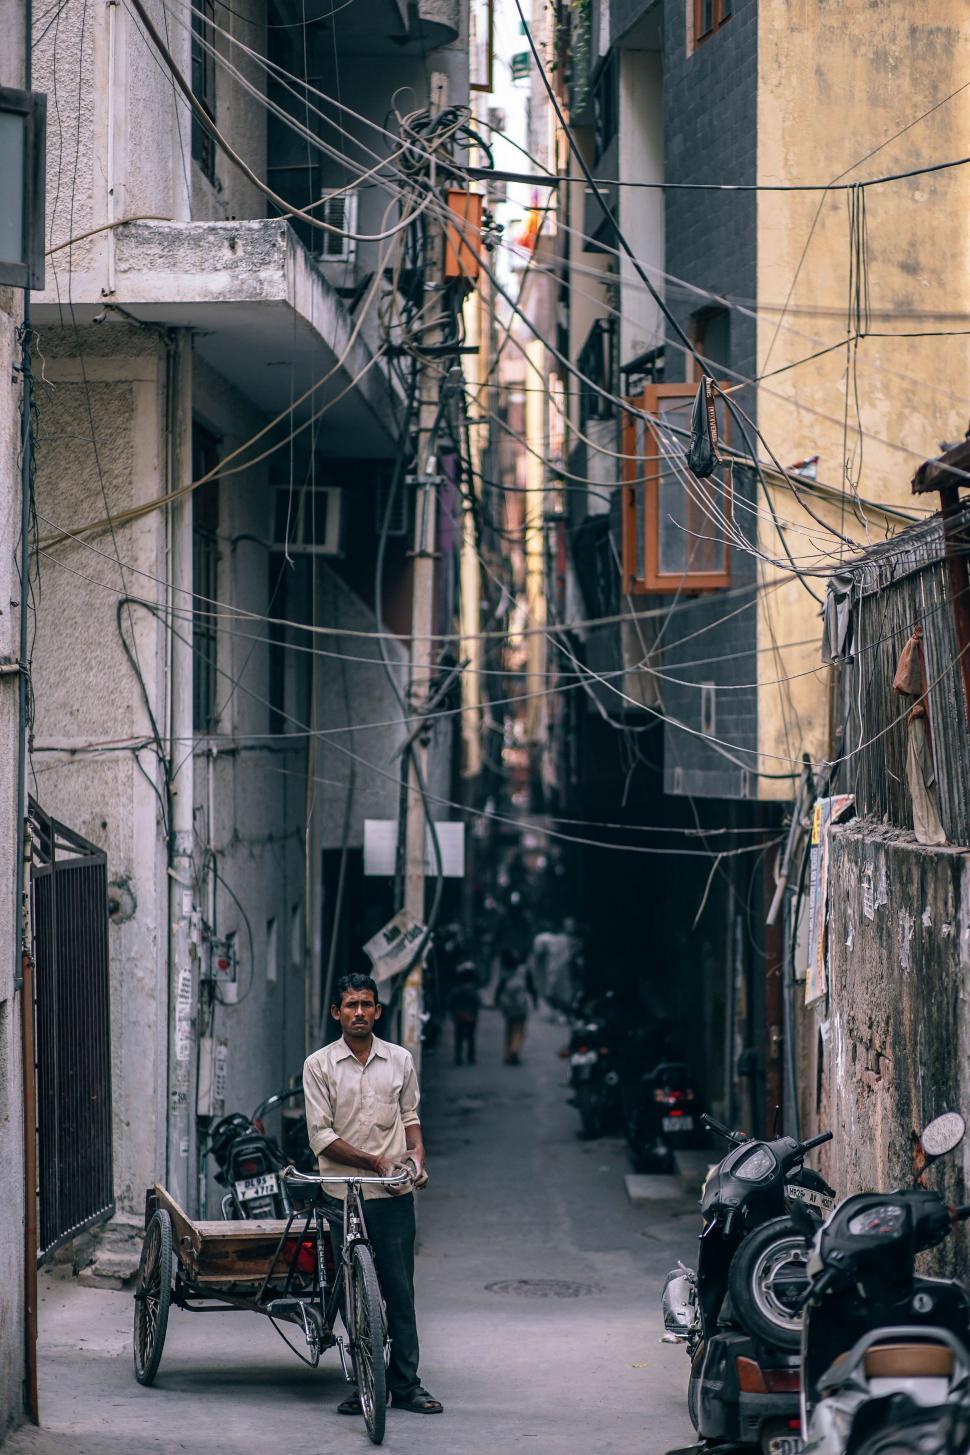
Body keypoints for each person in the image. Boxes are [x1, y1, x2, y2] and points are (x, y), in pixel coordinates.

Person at [303, 972, 443, 1417]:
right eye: (351, 1005)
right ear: (337, 1013)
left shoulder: (399, 1059)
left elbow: (410, 1117)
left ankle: (406, 1384)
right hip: (340, 1195)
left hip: (391, 1195)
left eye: (366, 1004)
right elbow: (321, 1137)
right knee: (352, 1294)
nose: (359, 1012)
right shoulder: (318, 1065)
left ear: (378, 1011)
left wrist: (417, 1154)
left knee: (400, 1293)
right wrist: (376, 1162)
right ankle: (366, 1380)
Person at [498, 961, 533, 1065]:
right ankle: (514, 1050)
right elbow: (531, 987)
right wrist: (534, 1001)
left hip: (509, 1007)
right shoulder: (524, 972)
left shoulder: (506, 974)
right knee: (519, 1030)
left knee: (509, 1031)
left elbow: (500, 989)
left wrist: (497, 1002)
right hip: (520, 1007)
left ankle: (508, 1054)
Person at [446, 963, 480, 1066]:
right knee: (471, 1037)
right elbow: (477, 1003)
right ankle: (470, 1057)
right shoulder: (473, 990)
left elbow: (451, 1003)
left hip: (459, 1016)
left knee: (459, 1038)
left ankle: (458, 1056)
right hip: (471, 1016)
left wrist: (453, 1014)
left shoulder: (457, 990)